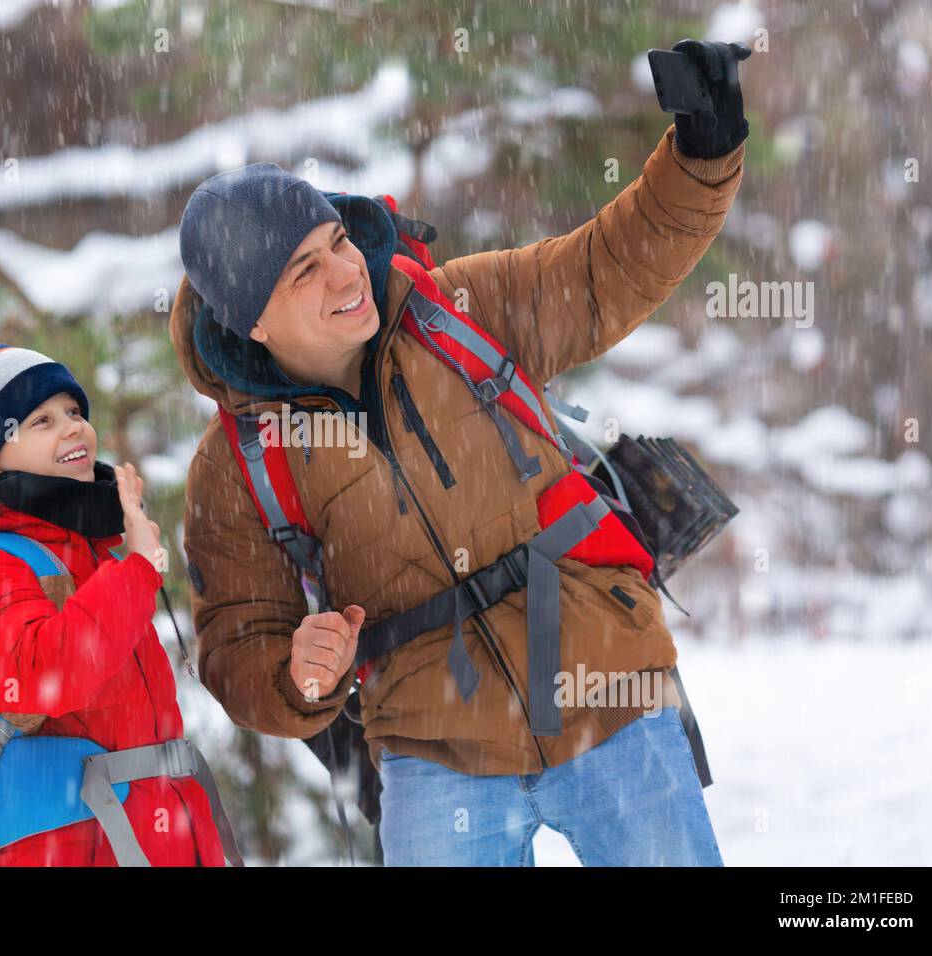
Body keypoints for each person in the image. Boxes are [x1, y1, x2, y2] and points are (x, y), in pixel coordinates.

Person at [171, 40, 749, 865]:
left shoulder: (458, 311)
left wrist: (703, 149)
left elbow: (606, 268)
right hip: (433, 747)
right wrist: (297, 674)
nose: (346, 273)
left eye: (338, 241)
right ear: (251, 322)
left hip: (603, 682)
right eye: (305, 269)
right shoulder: (236, 467)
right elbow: (235, 641)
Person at [0, 335, 226, 866]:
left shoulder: (91, 555)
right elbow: (39, 675)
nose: (73, 426)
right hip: (68, 844)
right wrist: (139, 572)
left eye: (73, 410)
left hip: (146, 834)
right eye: (42, 421)